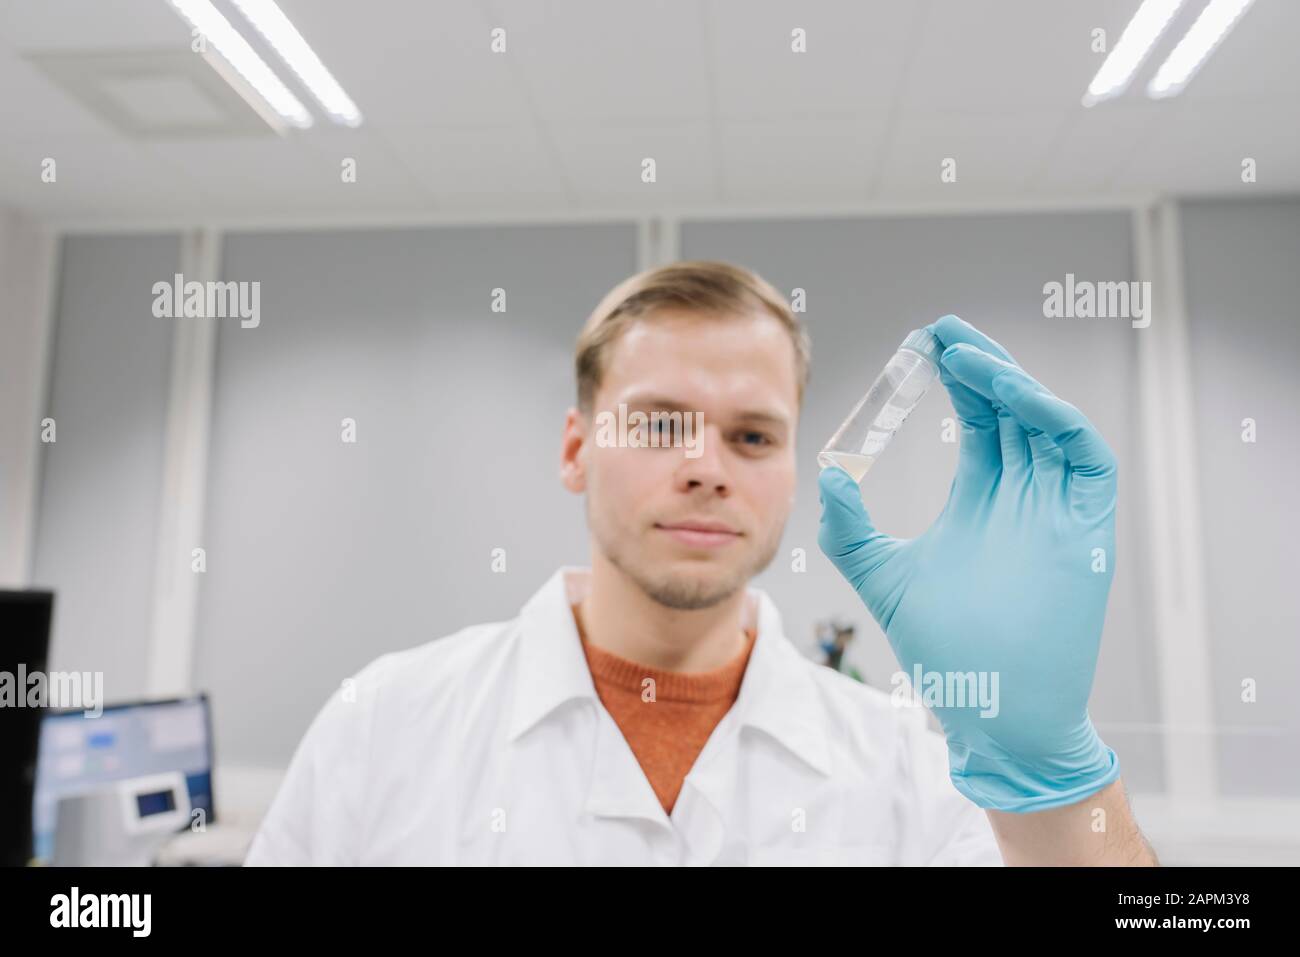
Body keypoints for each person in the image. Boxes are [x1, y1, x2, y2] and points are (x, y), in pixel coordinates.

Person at [245, 260, 1156, 866]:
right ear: (575, 448)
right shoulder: (386, 727)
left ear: (794, 468)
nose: (706, 467)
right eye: (658, 424)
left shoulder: (908, 767)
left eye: (752, 435)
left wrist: (1055, 778)